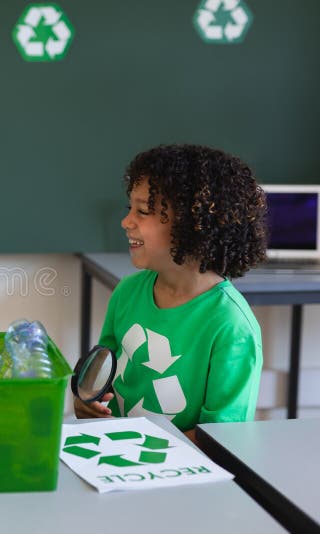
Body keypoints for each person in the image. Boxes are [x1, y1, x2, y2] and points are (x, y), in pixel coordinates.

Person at [74, 144, 267, 443]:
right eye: (129, 209)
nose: (126, 222)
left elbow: (223, 438)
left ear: (193, 224)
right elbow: (100, 379)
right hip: (117, 456)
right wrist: (86, 402)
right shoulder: (127, 292)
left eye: (143, 211)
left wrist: (138, 446)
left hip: (177, 467)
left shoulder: (232, 326)